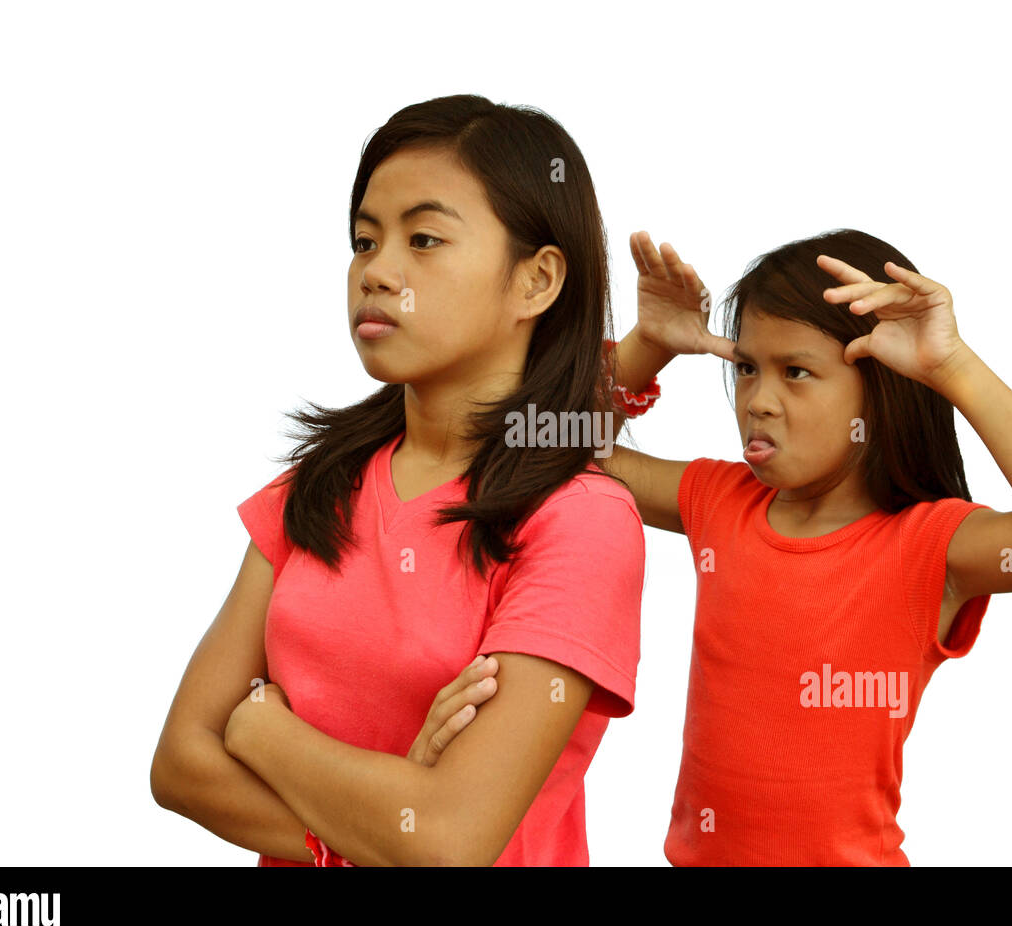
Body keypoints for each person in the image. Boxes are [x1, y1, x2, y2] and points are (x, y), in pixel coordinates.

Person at [149, 94, 646, 866]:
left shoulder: (581, 521)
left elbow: (449, 839)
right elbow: (180, 762)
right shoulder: (316, 484)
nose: (377, 272)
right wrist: (364, 833)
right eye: (363, 240)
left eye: (423, 238)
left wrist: (263, 730)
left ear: (536, 281)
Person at [593, 227, 1012, 864]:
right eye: (746, 369)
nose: (758, 401)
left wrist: (951, 367)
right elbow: (543, 444)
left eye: (796, 372)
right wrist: (649, 345)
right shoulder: (719, 499)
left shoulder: (928, 545)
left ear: (881, 387)